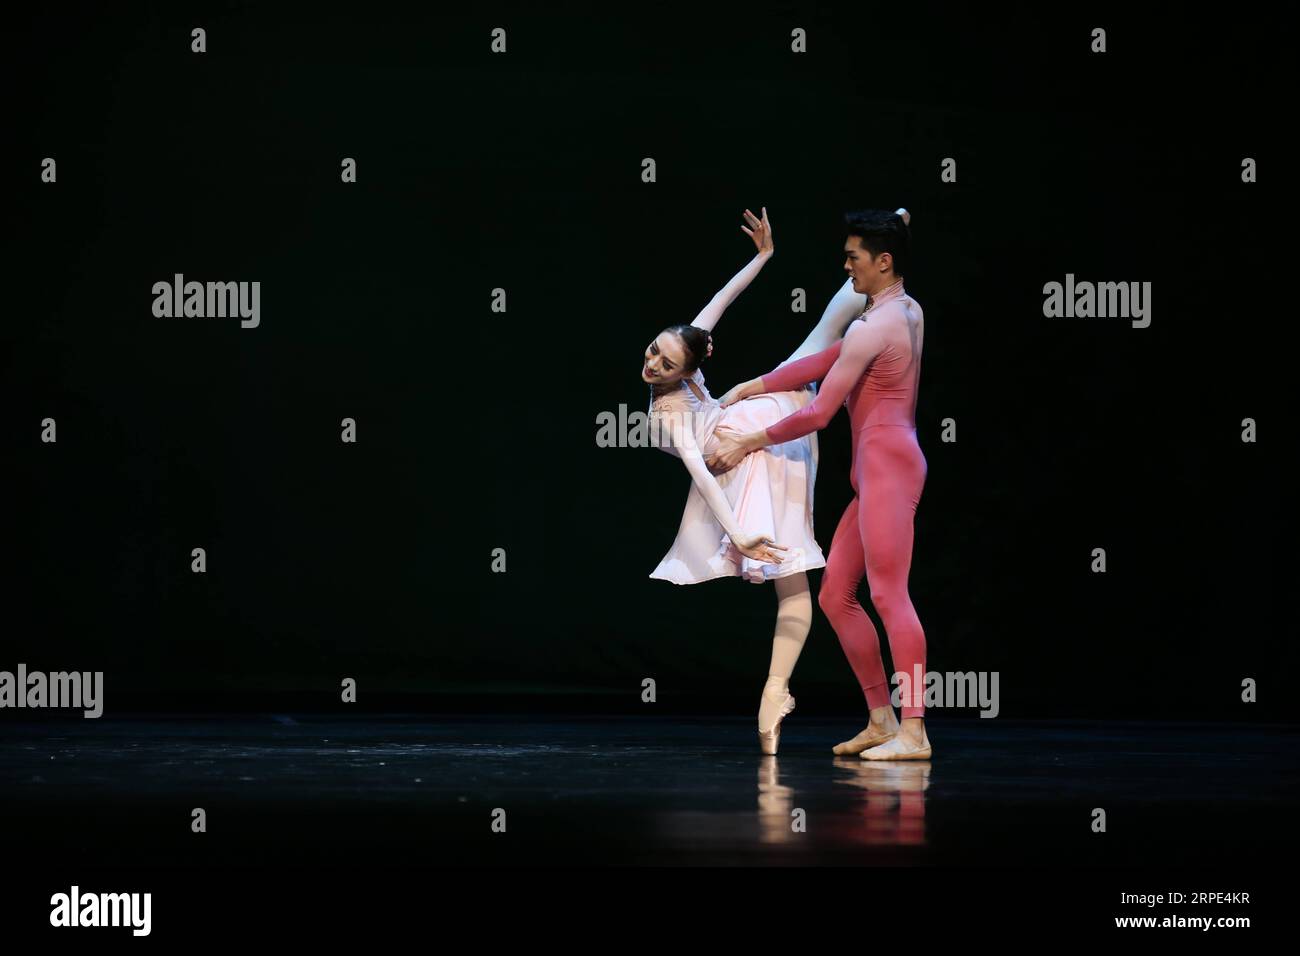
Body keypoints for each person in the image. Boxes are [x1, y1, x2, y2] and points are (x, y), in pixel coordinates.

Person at [707, 208, 933, 761]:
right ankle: (882, 719)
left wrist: (746, 440)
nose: (847, 266)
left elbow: (819, 412)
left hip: (888, 467)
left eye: (855, 258)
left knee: (888, 594)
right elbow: (825, 358)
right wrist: (750, 384)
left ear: (884, 262)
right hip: (878, 468)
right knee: (835, 594)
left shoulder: (876, 325)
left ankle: (915, 730)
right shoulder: (901, 309)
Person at [643, 207, 862, 754]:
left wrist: (762, 257)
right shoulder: (673, 397)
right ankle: (774, 694)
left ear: (691, 367)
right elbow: (699, 465)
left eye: (665, 362)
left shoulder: (678, 390)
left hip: (748, 451)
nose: (652, 364)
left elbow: (717, 305)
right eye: (654, 355)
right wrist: (738, 532)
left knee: (819, 341)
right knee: (820, 340)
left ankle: (774, 694)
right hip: (753, 440)